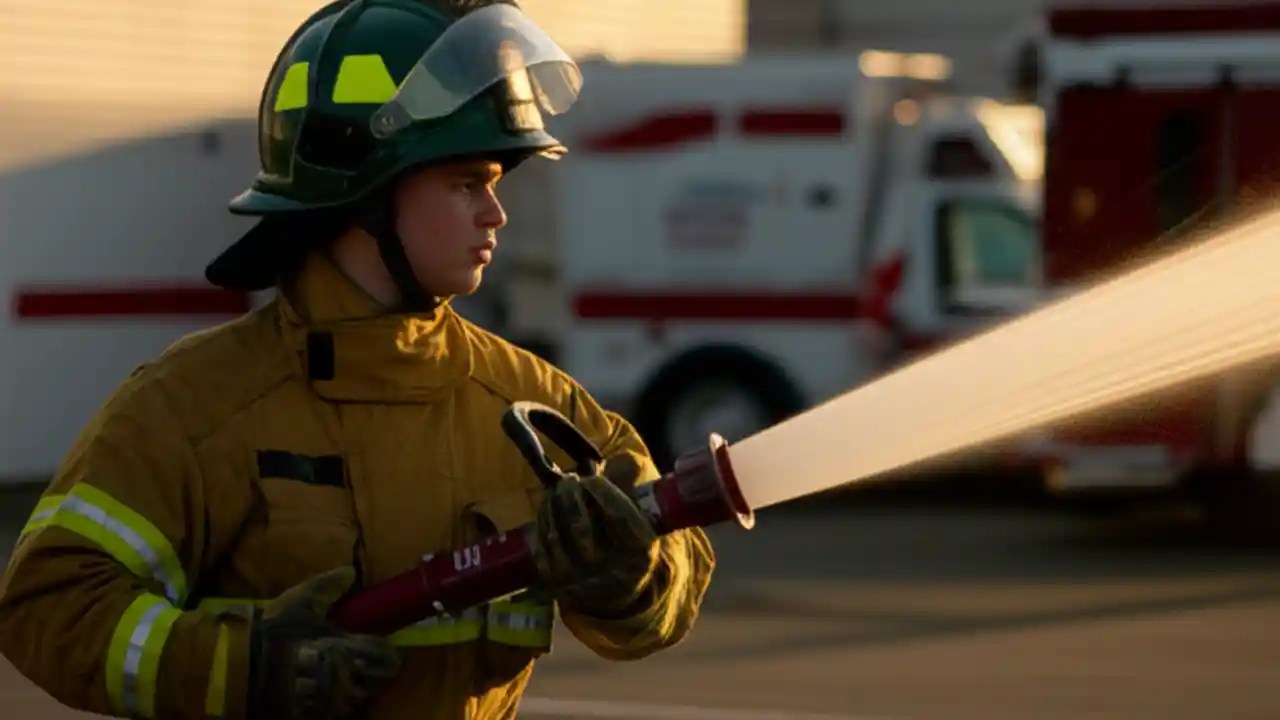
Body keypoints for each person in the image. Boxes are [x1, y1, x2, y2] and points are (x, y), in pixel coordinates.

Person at [0, 1, 716, 718]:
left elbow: (670, 583)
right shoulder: (193, 408)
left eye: (496, 181)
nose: (496, 212)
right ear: (363, 194)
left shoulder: (534, 404)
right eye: (467, 182)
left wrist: (632, 579)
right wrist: (242, 665)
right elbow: (50, 608)